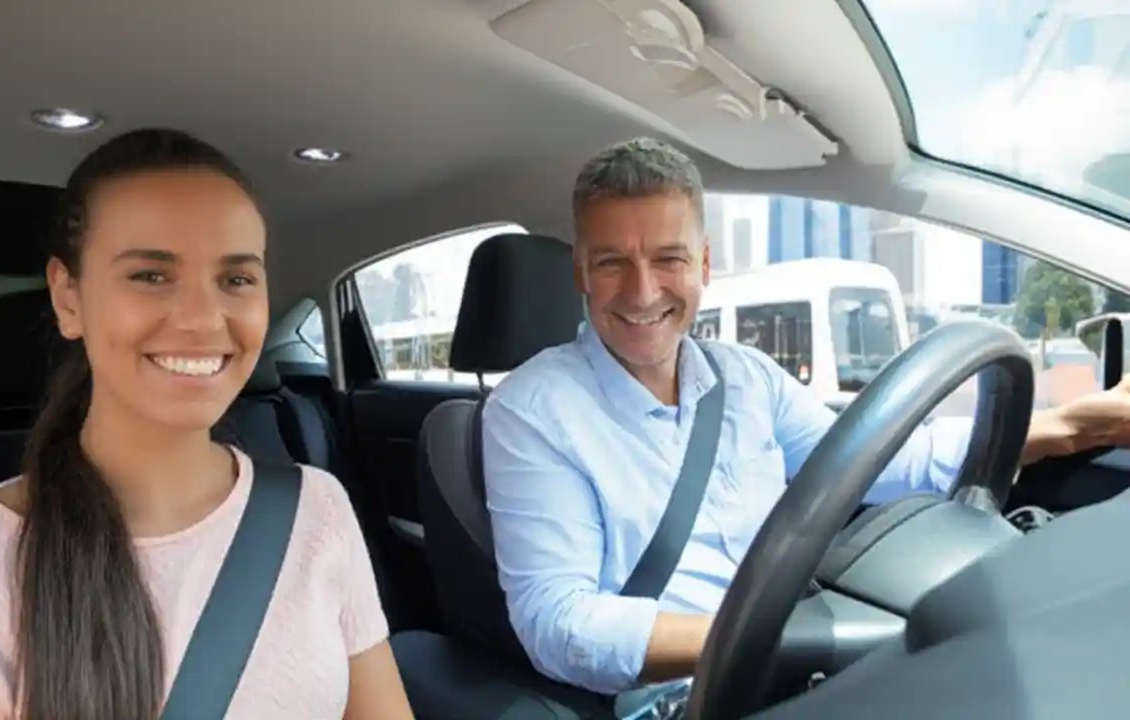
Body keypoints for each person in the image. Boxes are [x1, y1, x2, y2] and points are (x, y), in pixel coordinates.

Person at [481, 136, 1130, 695]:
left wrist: (1077, 425)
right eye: (612, 262)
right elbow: (559, 623)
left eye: (669, 258)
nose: (644, 291)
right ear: (581, 273)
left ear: (704, 265)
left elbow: (883, 461)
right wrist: (768, 641)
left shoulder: (748, 377)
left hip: (797, 665)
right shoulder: (532, 411)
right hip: (695, 692)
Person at [0, 130, 414, 719]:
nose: (202, 318)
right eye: (150, 275)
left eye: (236, 279)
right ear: (68, 299)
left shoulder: (317, 509)